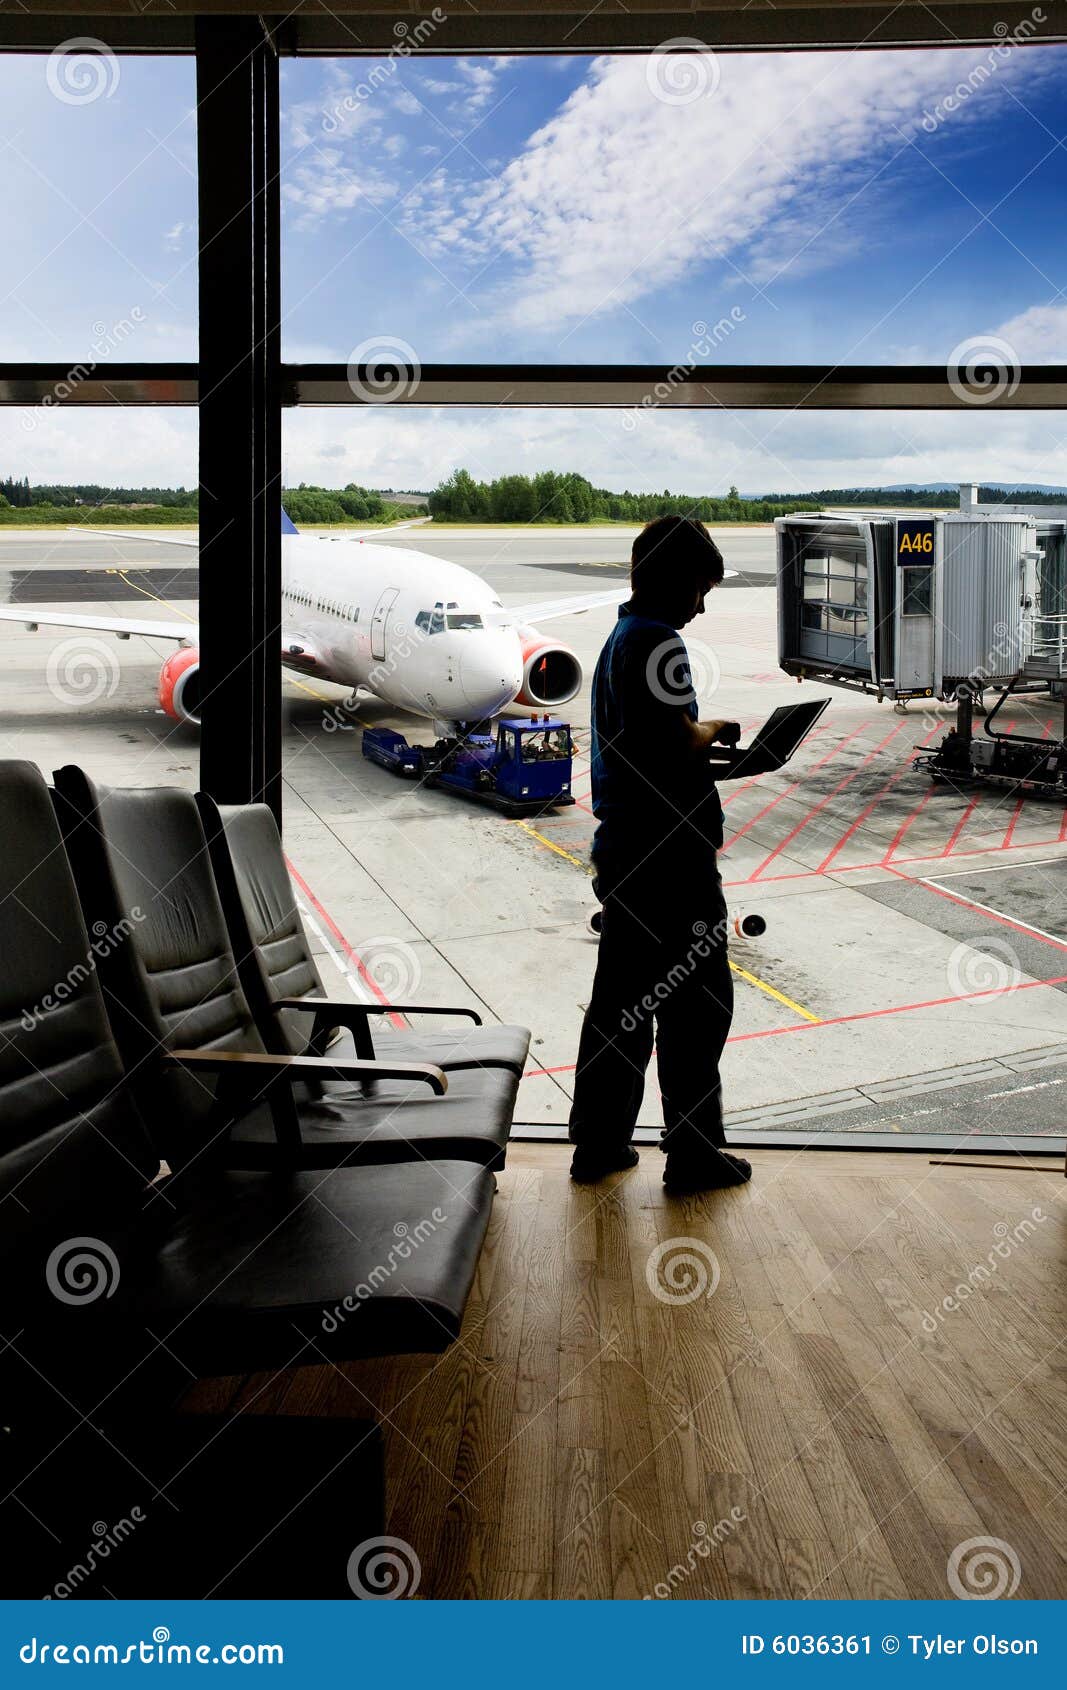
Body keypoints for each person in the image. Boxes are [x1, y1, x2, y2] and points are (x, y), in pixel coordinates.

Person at [569, 514, 756, 1195]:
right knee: (697, 1009)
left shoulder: (622, 638)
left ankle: (597, 1142)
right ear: (672, 579)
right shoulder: (658, 643)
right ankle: (693, 1153)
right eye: (699, 588)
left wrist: (694, 738)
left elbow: (645, 743)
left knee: (620, 1007)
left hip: (625, 852)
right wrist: (715, 729)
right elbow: (675, 739)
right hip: (668, 860)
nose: (700, 605)